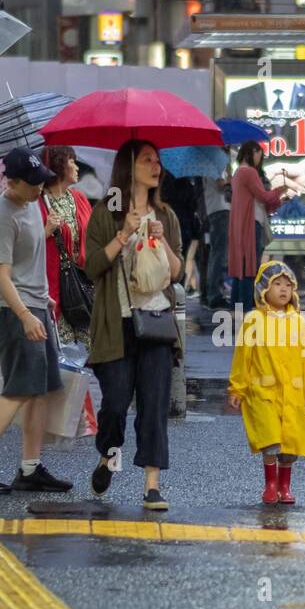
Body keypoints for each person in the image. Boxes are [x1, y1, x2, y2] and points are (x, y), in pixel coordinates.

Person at [0, 148, 73, 495]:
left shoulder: (32, 204)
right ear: (12, 182)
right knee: (19, 388)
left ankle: (30, 467)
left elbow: (28, 259)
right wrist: (24, 313)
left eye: (41, 181)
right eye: (33, 183)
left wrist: (42, 297)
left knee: (40, 391)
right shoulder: (2, 214)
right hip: (13, 312)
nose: (39, 188)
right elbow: (2, 275)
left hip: (35, 306)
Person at [83, 139, 183, 511]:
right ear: (129, 167)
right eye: (147, 160)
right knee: (115, 402)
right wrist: (123, 233)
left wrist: (162, 242)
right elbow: (92, 266)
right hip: (116, 324)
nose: (156, 167)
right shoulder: (105, 212)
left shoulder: (167, 216)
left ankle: (152, 484)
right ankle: (108, 454)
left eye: (158, 160)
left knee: (154, 405)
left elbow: (176, 274)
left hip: (156, 322)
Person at [228, 261, 305, 505]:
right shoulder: (253, 320)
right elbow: (243, 357)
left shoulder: (298, 322)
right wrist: (238, 387)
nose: (283, 289)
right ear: (263, 290)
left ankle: (284, 486)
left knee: (290, 445)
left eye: (287, 285)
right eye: (276, 284)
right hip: (263, 393)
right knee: (269, 440)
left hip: (292, 394)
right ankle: (270, 484)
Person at [40, 144, 93, 346]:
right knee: (61, 350)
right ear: (59, 166)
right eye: (72, 161)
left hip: (82, 282)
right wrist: (46, 230)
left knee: (91, 349)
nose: (77, 166)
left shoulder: (79, 198)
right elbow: (26, 244)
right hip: (54, 286)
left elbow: (92, 236)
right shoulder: (39, 201)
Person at [228, 141, 289, 310]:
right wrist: (279, 190)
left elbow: (259, 199)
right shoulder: (248, 172)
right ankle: (247, 307)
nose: (259, 158)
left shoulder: (238, 172)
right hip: (251, 223)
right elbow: (263, 197)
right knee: (250, 268)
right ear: (252, 152)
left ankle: (237, 306)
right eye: (259, 154)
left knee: (241, 267)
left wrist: (278, 198)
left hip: (243, 223)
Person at [200, 158, 232, 307]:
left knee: (216, 254)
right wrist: (230, 182)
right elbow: (221, 186)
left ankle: (212, 293)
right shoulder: (214, 163)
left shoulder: (212, 163)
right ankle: (214, 294)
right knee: (218, 254)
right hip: (220, 211)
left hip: (217, 211)